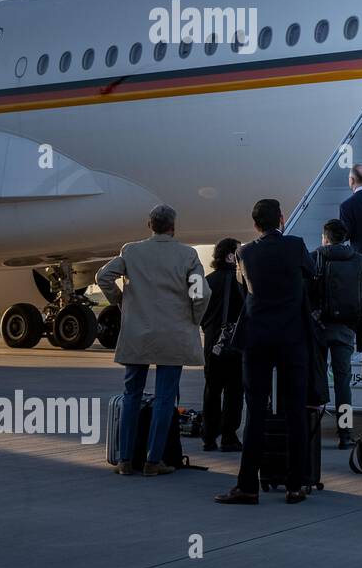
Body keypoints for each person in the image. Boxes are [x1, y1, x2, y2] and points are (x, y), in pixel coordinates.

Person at [215, 199, 316, 505]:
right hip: (292, 337)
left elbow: (245, 289)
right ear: (282, 220)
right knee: (296, 410)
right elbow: (311, 275)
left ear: (255, 224)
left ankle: (248, 485)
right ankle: (296, 484)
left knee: (255, 410)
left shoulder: (244, 252)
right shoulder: (296, 246)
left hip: (257, 337)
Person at [97, 204, 209, 476]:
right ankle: (153, 460)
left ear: (149, 225)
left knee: (131, 395)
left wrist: (121, 301)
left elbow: (103, 276)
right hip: (173, 335)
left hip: (138, 334)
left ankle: (125, 460)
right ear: (173, 227)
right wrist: (193, 318)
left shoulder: (132, 251)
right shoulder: (188, 255)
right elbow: (200, 293)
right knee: (164, 398)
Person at [311, 219, 362, 448]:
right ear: (345, 238)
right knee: (343, 384)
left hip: (318, 328)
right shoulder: (360, 260)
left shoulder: (315, 256)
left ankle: (313, 430)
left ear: (325, 237)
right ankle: (345, 433)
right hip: (345, 329)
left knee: (316, 380)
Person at [199, 237, 244, 452]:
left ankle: (208, 436)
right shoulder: (243, 283)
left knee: (212, 390)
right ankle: (229, 436)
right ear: (230, 256)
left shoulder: (206, 282)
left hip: (212, 343)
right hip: (236, 344)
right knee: (234, 392)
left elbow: (196, 312)